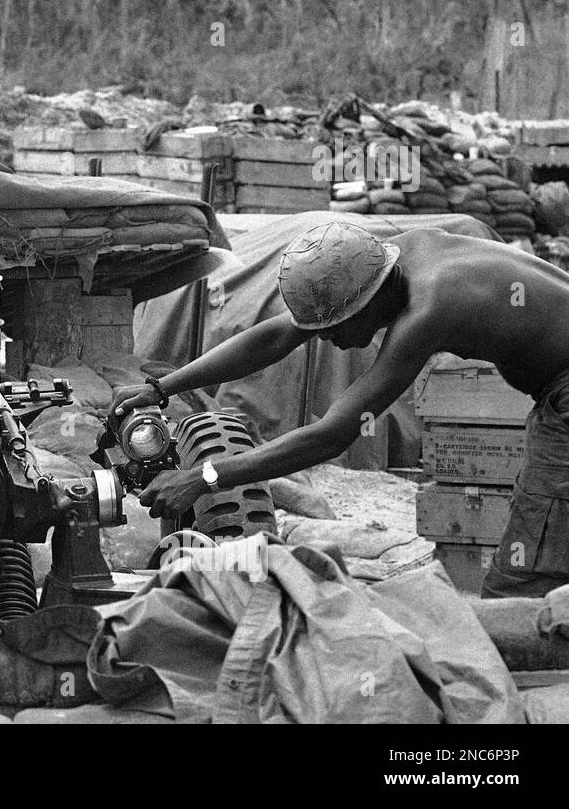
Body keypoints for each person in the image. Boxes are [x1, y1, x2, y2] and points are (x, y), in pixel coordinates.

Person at [109, 220, 569, 599]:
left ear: (367, 304)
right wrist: (162, 387)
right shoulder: (374, 263)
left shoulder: (429, 308)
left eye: (331, 329)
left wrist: (203, 477)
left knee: (522, 582)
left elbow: (333, 434)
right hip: (554, 394)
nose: (325, 339)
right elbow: (277, 335)